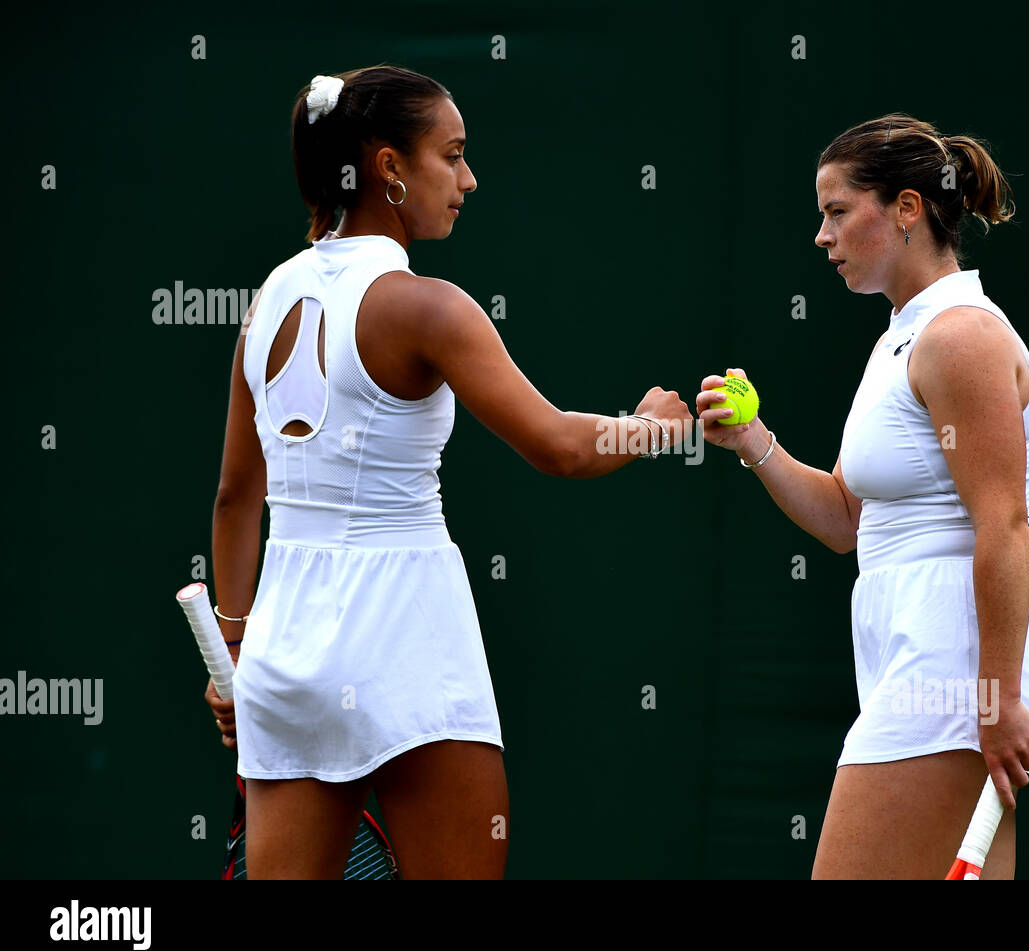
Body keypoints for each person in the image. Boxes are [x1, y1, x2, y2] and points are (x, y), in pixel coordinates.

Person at [206, 65, 692, 879]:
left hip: (285, 653)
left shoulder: (265, 304)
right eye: (453, 155)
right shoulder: (428, 306)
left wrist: (237, 649)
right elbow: (562, 447)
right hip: (406, 642)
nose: (469, 179)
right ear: (391, 168)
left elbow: (234, 496)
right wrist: (653, 429)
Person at [696, 114, 1029, 879]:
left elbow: (1004, 525)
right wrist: (753, 440)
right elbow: (844, 519)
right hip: (920, 659)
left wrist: (995, 701)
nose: (821, 235)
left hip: (954, 673)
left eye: (837, 211)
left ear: (905, 209)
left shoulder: (960, 337)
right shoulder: (902, 336)